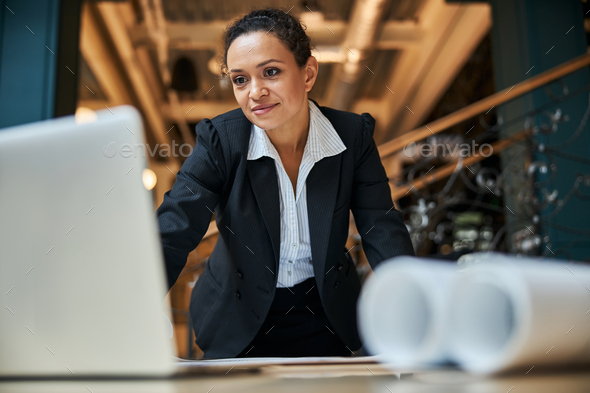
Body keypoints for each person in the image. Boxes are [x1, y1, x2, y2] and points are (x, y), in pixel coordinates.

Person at [156, 7, 414, 359]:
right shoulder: (220, 140)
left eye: (271, 72)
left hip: (325, 313)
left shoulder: (353, 137)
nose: (255, 92)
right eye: (240, 79)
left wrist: (414, 309)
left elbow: (382, 230)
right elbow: (173, 232)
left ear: (308, 74)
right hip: (236, 313)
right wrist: (124, 315)